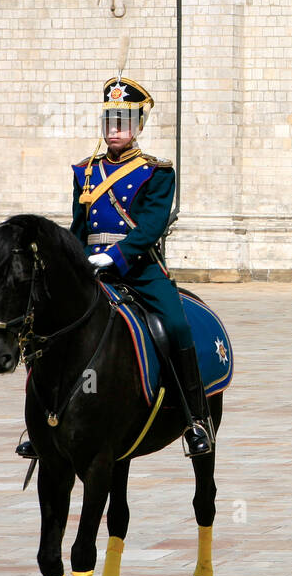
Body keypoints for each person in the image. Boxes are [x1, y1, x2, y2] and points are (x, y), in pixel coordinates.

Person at [71, 74, 213, 456]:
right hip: (91, 268)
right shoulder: (85, 170)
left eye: (123, 121)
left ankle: (194, 417)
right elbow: (78, 227)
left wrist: (114, 256)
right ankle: (42, 418)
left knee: (177, 324)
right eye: (109, 120)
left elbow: (150, 227)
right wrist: (75, 260)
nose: (114, 129)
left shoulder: (156, 172)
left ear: (138, 127)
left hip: (139, 268)